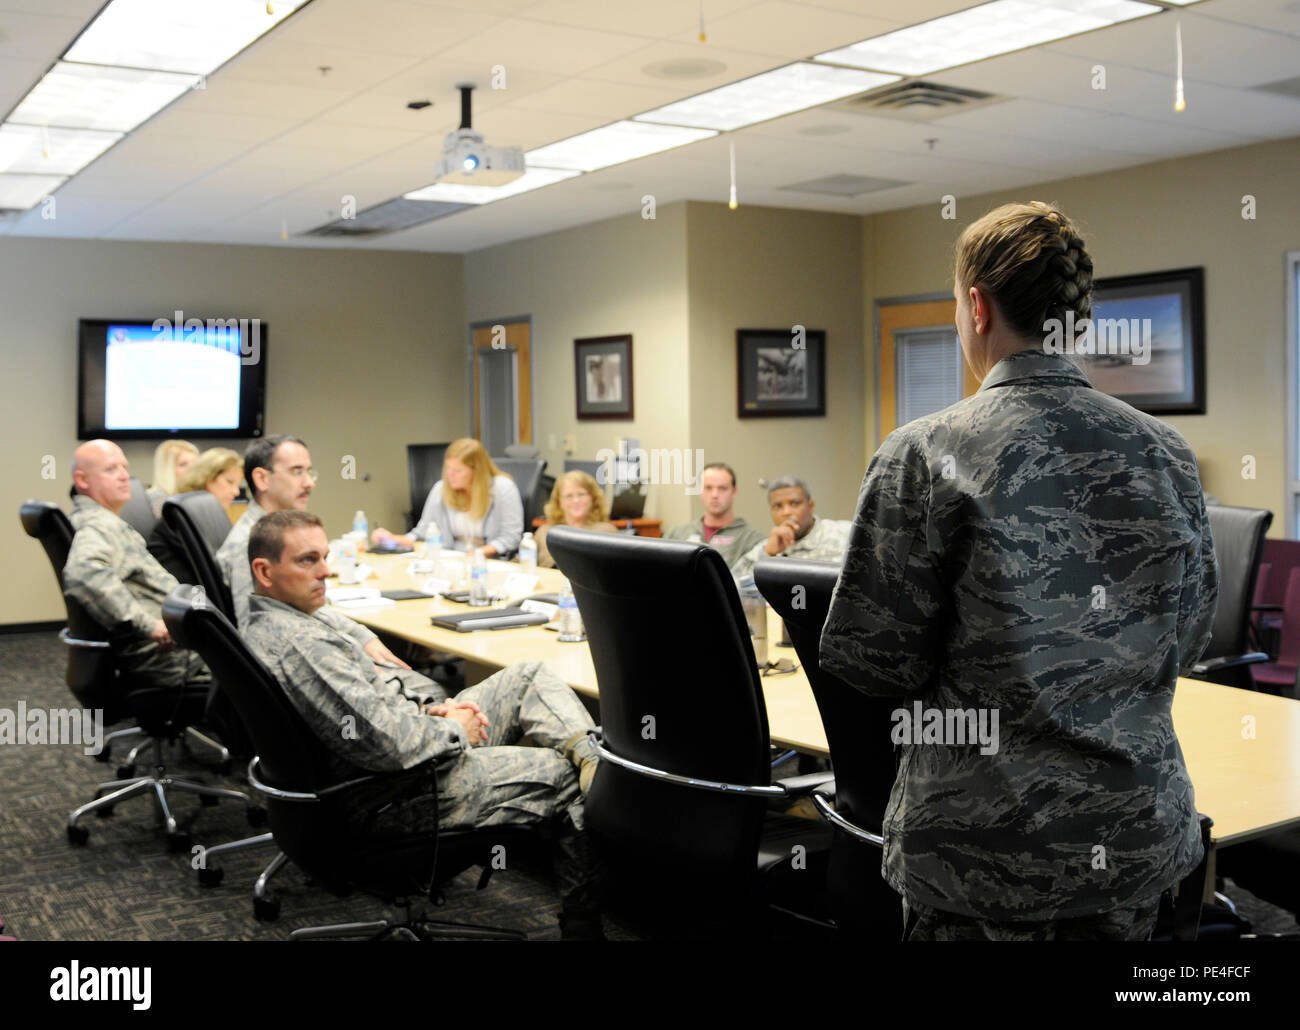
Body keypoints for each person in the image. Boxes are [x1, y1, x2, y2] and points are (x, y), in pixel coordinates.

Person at [819, 201, 1217, 941]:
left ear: (976, 306)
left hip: (983, 853)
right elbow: (1188, 640)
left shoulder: (924, 452)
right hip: (1135, 838)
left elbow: (871, 662)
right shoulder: (1166, 453)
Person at [244, 510, 603, 937]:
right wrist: (454, 729)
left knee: (528, 676)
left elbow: (372, 720)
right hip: (395, 795)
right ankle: (585, 924)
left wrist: (431, 713)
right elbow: (387, 744)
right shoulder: (301, 646)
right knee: (561, 774)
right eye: (308, 560)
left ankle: (591, 757)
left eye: (324, 556)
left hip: (395, 762)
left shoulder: (284, 616)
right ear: (265, 572)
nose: (327, 570)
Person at [63, 439, 208, 688]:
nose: (124, 476)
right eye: (111, 469)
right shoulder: (99, 525)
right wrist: (148, 625)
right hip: (175, 657)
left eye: (124, 467)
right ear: (83, 480)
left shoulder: (102, 520)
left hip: (180, 647)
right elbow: (82, 572)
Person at [371, 438, 523, 559]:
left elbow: (511, 537)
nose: (450, 475)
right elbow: (422, 533)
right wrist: (392, 539)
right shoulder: (440, 489)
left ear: (476, 471)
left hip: (488, 563)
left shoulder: (503, 488)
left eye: (458, 471)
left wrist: (479, 554)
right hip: (449, 561)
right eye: (448, 468)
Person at [146, 448, 243, 582]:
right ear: (207, 478)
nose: (236, 492)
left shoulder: (206, 514)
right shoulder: (182, 516)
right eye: (230, 482)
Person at [729, 475, 851, 581]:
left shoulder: (846, 534)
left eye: (795, 504)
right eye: (778, 506)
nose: (786, 512)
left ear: (811, 506)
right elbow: (732, 589)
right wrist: (768, 555)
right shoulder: (767, 548)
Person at [664, 462, 766, 569]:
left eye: (722, 488)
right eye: (708, 488)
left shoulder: (753, 540)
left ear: (734, 491)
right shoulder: (676, 535)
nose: (715, 495)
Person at [534, 470, 617, 569]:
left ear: (593, 498)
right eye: (569, 496)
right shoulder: (545, 532)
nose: (576, 500)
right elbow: (522, 562)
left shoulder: (606, 531)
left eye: (581, 494)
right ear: (559, 501)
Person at [147, 439, 198, 519]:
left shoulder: (196, 497)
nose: (192, 469)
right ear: (166, 469)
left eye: (196, 464)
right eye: (183, 464)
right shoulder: (159, 500)